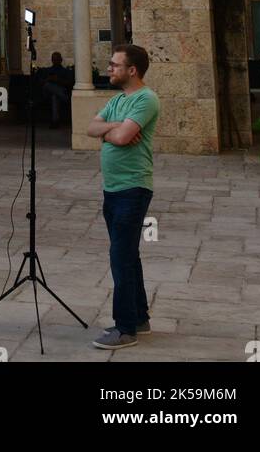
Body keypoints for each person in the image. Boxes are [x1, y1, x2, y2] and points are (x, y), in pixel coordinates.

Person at [86, 44, 160, 350]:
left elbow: (123, 138)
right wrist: (112, 127)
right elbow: (90, 127)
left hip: (133, 188)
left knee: (120, 256)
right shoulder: (118, 100)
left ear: (132, 70)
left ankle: (125, 328)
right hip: (112, 189)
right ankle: (139, 317)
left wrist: (111, 131)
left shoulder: (146, 99)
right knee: (128, 255)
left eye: (115, 65)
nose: (109, 69)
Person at [42, 51, 73, 127]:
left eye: (57, 59)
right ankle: (62, 93)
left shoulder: (65, 71)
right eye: (54, 59)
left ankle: (55, 121)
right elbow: (42, 83)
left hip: (59, 94)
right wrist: (49, 79)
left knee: (55, 97)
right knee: (48, 85)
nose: (55, 61)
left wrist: (57, 80)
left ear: (61, 60)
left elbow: (69, 83)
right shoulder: (48, 70)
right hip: (50, 93)